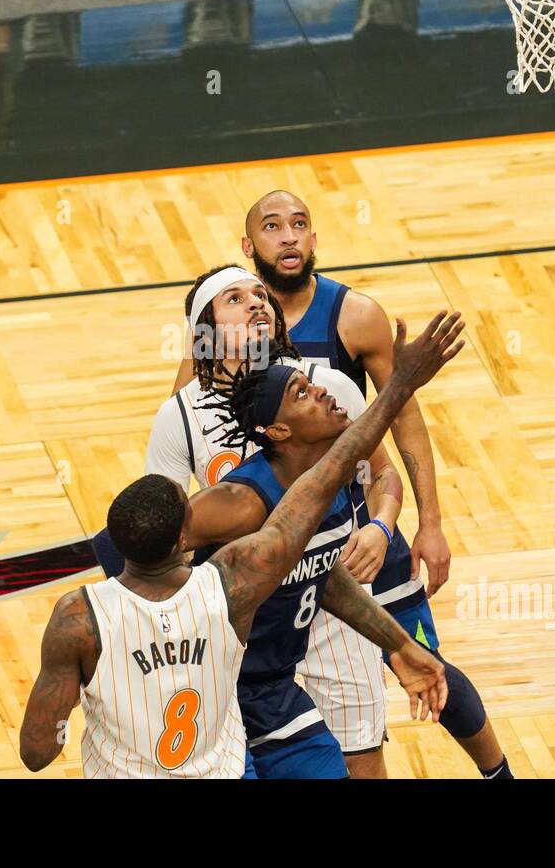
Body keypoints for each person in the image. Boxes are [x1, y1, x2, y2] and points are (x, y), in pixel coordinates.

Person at [21, 311, 463, 777]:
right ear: (277, 431)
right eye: (302, 392)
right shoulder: (237, 522)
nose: (322, 391)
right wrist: (151, 628)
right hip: (222, 689)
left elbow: (321, 571)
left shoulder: (323, 498)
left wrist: (397, 645)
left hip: (270, 686)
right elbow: (123, 547)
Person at [96, 264, 409, 774]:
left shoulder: (324, 385)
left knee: (358, 749)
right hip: (244, 613)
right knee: (244, 754)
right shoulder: (180, 415)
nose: (257, 303)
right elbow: (161, 535)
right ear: (205, 333)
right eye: (235, 299)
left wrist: (381, 525)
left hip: (327, 588)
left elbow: (381, 473)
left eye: (260, 295)